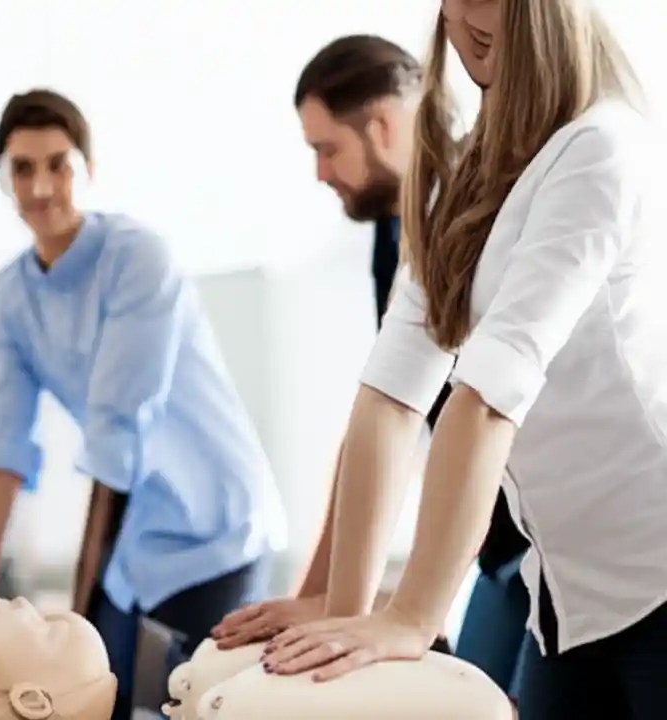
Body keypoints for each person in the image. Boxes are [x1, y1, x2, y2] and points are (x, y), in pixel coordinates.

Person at [262, 2, 666, 718]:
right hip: (567, 597)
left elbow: (489, 391)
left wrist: (414, 616)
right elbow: (390, 393)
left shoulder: (600, 146)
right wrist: (343, 610)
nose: (461, 13)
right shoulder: (464, 173)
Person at [0, 89, 286, 719]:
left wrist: (79, 612)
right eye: (22, 169)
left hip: (213, 528)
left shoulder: (139, 258)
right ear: (2, 181)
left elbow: (118, 431)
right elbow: (2, 440)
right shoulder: (10, 295)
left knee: (201, 703)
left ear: (88, 169)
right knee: (85, 703)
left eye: (58, 164)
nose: (41, 186)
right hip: (132, 546)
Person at [211, 33, 532, 693]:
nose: (320, 174)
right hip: (502, 553)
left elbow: (482, 418)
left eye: (327, 150)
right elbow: (382, 417)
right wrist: (323, 599)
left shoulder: (471, 210)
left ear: (382, 125)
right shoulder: (395, 234)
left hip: (549, 532)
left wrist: (407, 607)